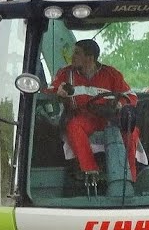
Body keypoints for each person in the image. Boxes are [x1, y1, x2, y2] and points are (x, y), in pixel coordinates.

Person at [47, 39, 142, 185]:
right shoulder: (66, 74)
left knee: (132, 131)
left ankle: (129, 178)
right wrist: (57, 91)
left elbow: (132, 97)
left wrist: (119, 103)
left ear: (90, 58)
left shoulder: (112, 74)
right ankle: (91, 172)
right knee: (73, 125)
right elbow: (49, 91)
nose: (73, 57)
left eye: (77, 53)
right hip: (84, 118)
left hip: (110, 118)